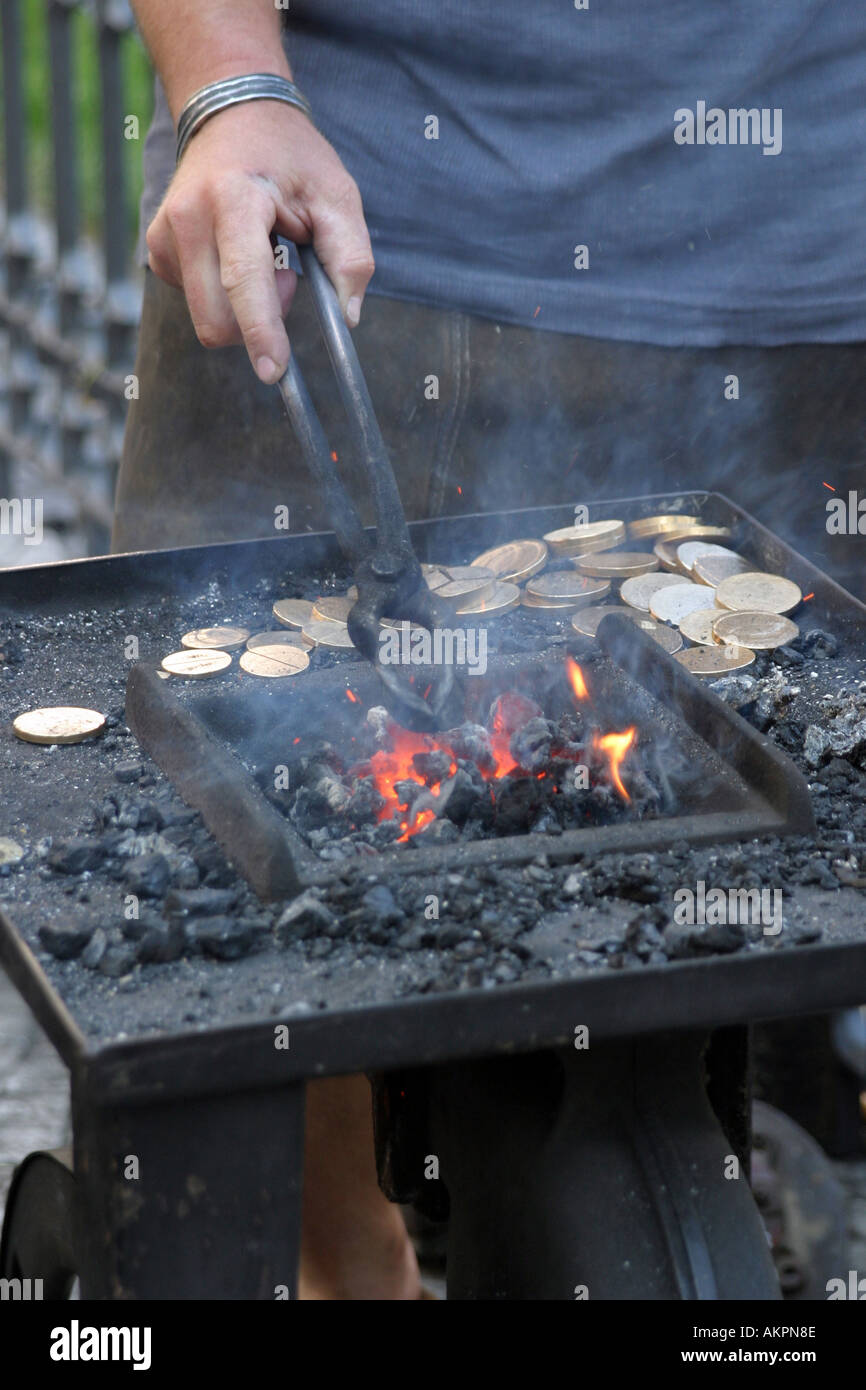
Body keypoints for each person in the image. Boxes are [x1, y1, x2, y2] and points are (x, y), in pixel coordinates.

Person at [118, 1, 866, 1298]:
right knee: (261, 928)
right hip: (356, 255)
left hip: (815, 293)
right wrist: (228, 83)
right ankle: (360, 1268)